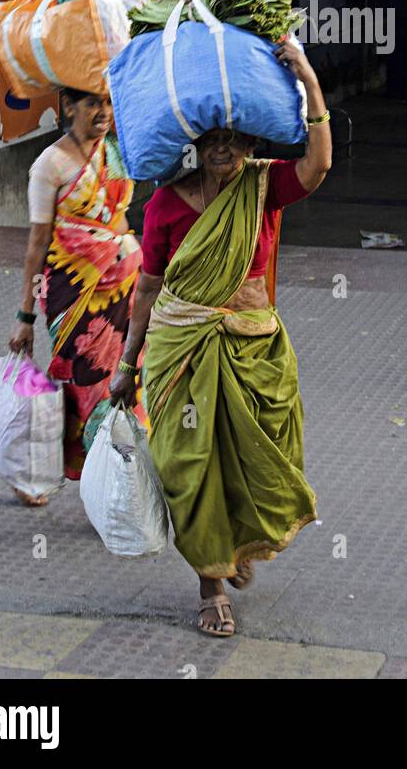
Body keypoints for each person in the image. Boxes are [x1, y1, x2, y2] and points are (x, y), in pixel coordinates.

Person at [109, 40, 332, 638]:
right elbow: (148, 290)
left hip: (255, 349)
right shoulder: (164, 207)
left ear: (253, 143)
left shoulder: (264, 188)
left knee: (256, 463)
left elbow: (319, 165)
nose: (225, 149)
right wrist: (127, 363)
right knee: (191, 466)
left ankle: (234, 546)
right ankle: (211, 588)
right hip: (183, 351)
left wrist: (308, 79)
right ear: (196, 145)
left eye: (235, 138)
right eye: (213, 140)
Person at [8, 89, 143, 501]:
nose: (102, 113)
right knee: (80, 383)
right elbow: (37, 245)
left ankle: (116, 482)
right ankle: (33, 470)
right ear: (68, 106)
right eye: (91, 104)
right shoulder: (50, 164)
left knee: (123, 384)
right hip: (73, 298)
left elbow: (119, 220)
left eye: (106, 102)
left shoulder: (117, 152)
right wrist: (25, 316)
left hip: (124, 296)